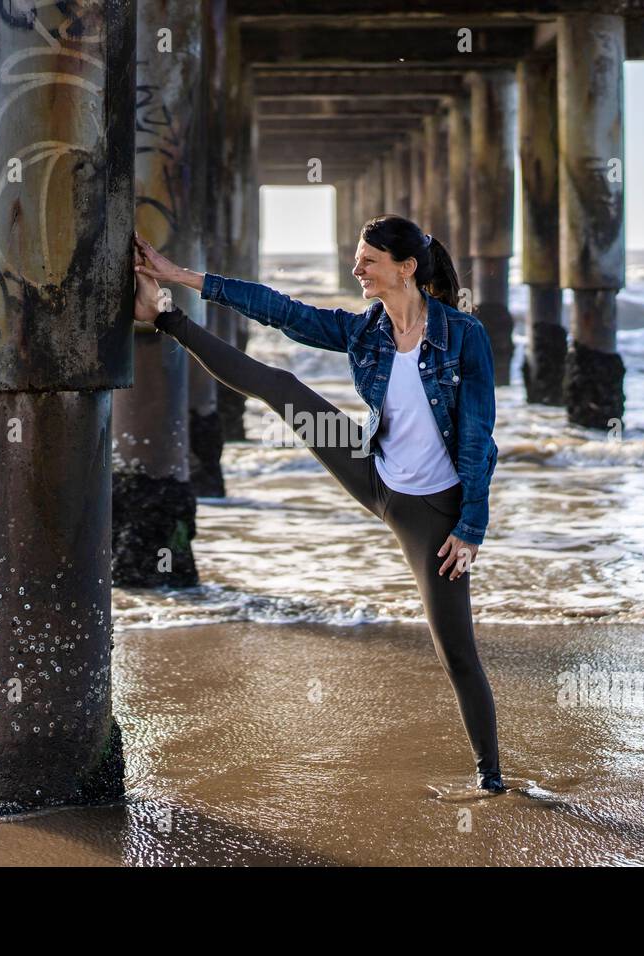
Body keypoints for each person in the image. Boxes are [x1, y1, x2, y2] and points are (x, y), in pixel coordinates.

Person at [133, 214, 504, 793]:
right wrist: (178, 277)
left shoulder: (463, 336)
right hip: (375, 475)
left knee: (455, 650)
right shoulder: (366, 332)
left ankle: (492, 780)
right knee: (282, 388)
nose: (356, 268)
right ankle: (165, 319)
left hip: (432, 512)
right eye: (358, 258)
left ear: (405, 269)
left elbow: (479, 435)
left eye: (368, 260)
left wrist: (471, 526)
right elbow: (281, 311)